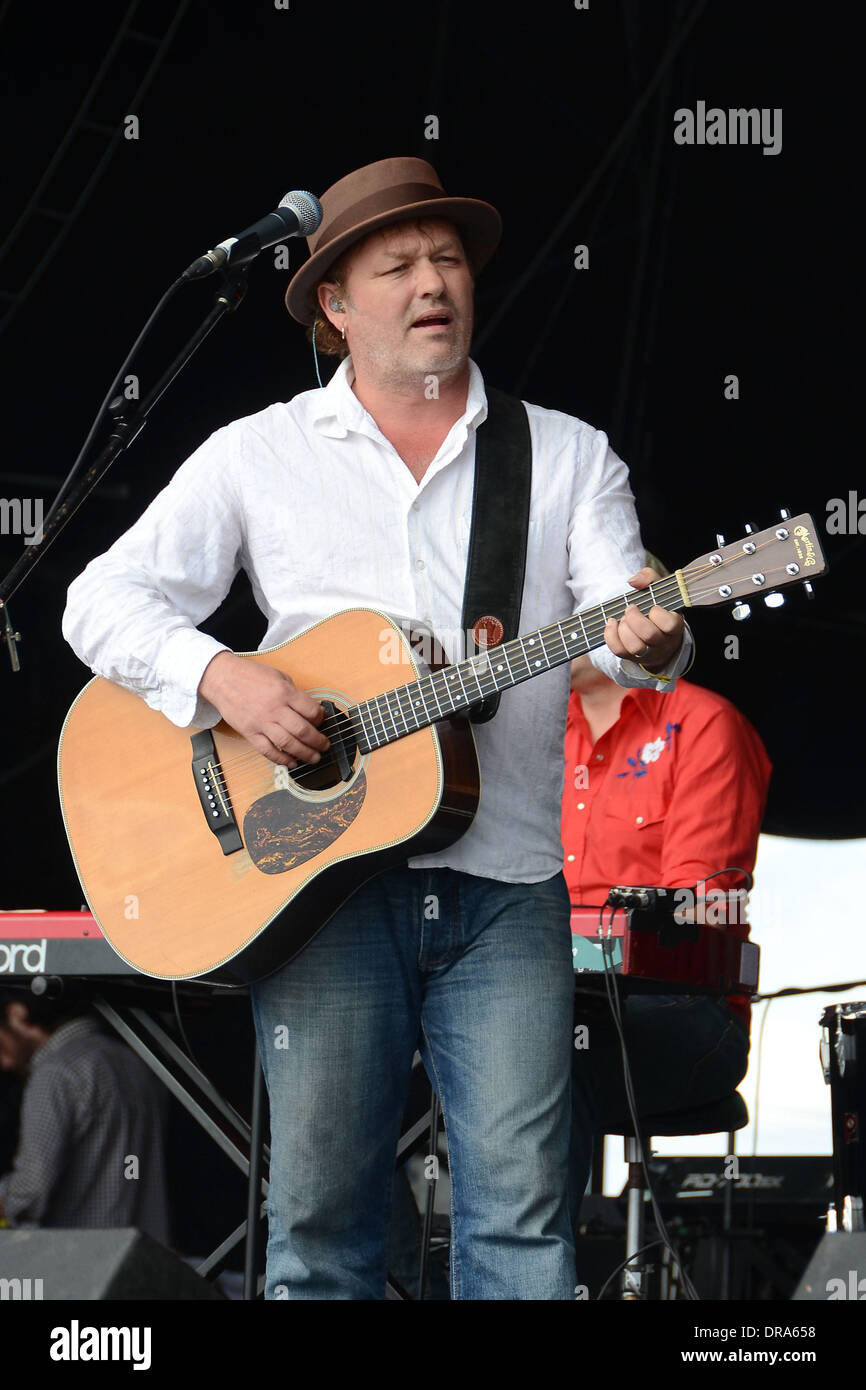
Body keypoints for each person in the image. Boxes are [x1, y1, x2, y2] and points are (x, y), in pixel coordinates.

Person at [62, 156, 693, 1300]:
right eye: (394, 265)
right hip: (318, 890)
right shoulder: (258, 453)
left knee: (522, 1218)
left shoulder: (561, 454)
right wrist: (228, 681)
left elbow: (620, 618)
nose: (429, 281)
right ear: (334, 310)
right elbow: (97, 602)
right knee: (319, 1227)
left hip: (502, 882)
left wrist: (651, 636)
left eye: (445, 257)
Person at [563, 629, 772, 1205]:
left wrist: (559, 946)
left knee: (540, 1053)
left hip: (684, 1012)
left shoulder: (704, 722)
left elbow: (694, 913)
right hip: (544, 1000)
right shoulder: (534, 739)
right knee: (375, 1053)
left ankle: (529, 1276)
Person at [0, 990, 170, 1239]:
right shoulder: (132, 1060)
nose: (4, 1063)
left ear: (17, 1015)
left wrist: (5, 1198)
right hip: (144, 1256)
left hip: (80, 1260)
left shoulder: (56, 1073)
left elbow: (30, 1190)